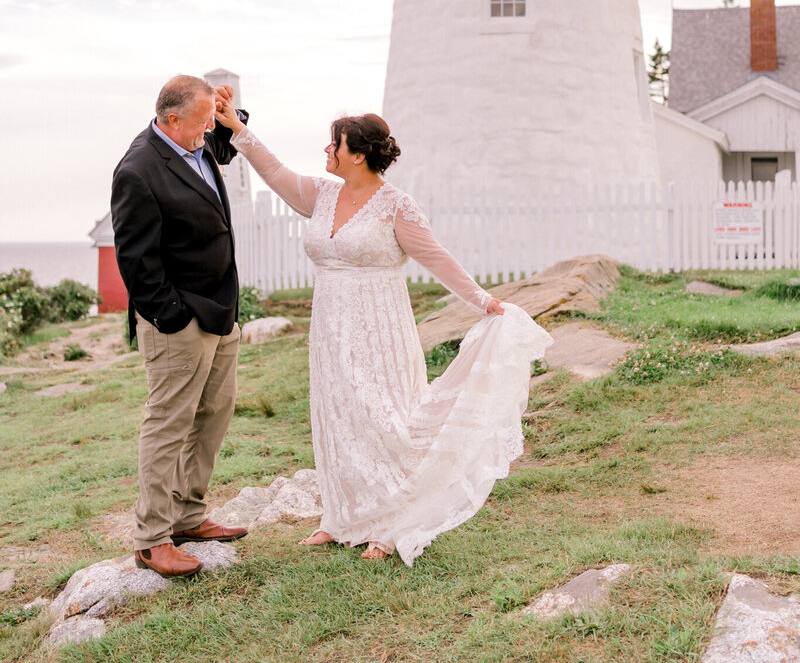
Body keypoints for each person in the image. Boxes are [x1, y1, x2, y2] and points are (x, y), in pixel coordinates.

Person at [214, 103, 552, 565]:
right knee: (339, 415)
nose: (327, 149)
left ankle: (391, 522)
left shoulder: (396, 205)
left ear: (357, 154)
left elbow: (438, 259)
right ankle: (340, 518)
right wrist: (237, 129)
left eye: (335, 143)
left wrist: (482, 301)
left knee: (385, 418)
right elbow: (273, 171)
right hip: (330, 326)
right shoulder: (322, 194)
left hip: (380, 327)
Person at [111, 75, 250, 578]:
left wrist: (230, 114)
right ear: (172, 120)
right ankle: (151, 539)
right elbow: (136, 261)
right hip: (179, 322)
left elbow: (224, 147)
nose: (210, 130)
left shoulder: (194, 138)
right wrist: (174, 317)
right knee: (169, 425)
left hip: (221, 310)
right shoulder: (139, 169)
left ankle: (188, 516)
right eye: (203, 121)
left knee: (213, 413)